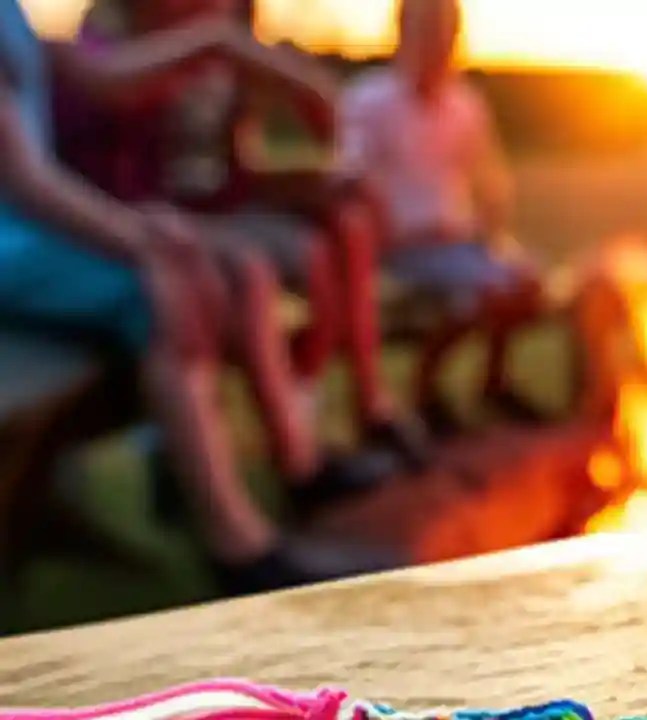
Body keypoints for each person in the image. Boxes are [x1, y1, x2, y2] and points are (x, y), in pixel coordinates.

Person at [0, 0, 396, 594]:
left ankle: (254, 500)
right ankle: (237, 545)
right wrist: (144, 240)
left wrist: (223, 44)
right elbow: (25, 179)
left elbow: (98, 79)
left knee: (195, 271)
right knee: (166, 287)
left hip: (30, 235)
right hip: (15, 242)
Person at [60, 0, 432, 467]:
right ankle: (298, 447)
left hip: (204, 207)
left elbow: (229, 166)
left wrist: (311, 176)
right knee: (267, 268)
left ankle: (363, 405)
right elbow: (126, 122)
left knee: (346, 221)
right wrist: (222, 43)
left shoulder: (227, 29)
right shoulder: (119, 33)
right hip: (141, 214)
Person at [341, 0, 546, 434]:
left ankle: (492, 384)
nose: (438, 43)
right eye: (427, 30)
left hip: (458, 243)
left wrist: (491, 226)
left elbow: (489, 177)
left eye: (447, 31)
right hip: (401, 248)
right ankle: (425, 394)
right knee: (481, 293)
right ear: (401, 33)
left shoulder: (465, 104)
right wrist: (386, 231)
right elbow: (352, 181)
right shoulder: (369, 101)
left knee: (528, 282)